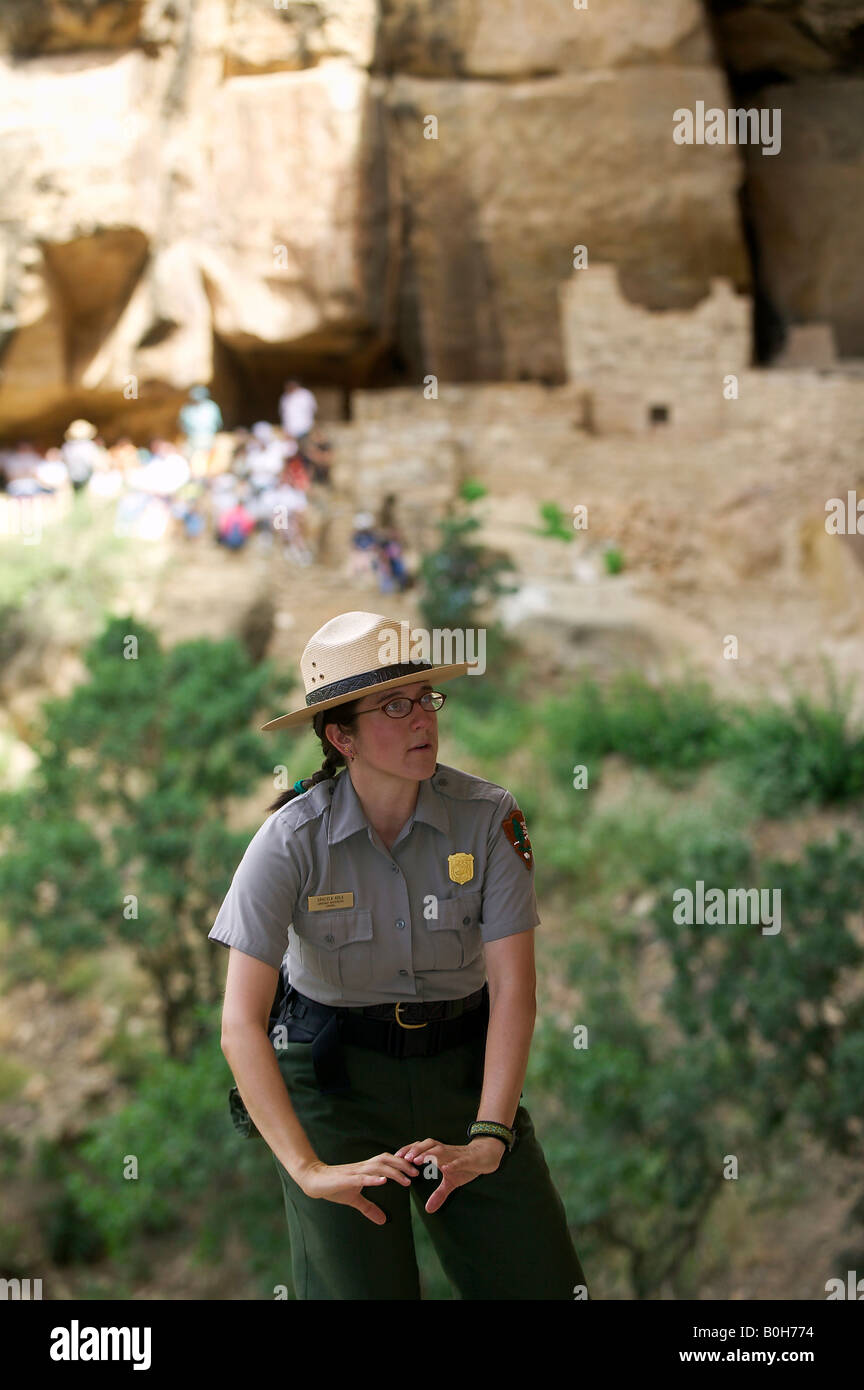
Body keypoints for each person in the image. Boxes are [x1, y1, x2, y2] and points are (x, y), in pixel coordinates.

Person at [207, 610, 590, 1300]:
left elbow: (513, 991)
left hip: (462, 1073)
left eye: (424, 698)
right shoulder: (289, 841)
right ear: (340, 736)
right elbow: (241, 1022)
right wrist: (307, 1169)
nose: (422, 719)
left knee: (543, 1284)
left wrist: (489, 1137)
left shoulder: (488, 818)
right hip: (334, 1086)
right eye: (393, 706)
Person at [178, 385, 223, 477]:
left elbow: (218, 424)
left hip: (207, 437)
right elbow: (182, 425)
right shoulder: (187, 409)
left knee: (208, 460)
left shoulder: (211, 407)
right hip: (192, 439)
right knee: (191, 460)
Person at [278, 378, 317, 451]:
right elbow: (284, 414)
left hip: (304, 428)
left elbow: (313, 409)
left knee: (305, 450)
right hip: (290, 431)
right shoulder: (285, 397)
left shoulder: (305, 395)